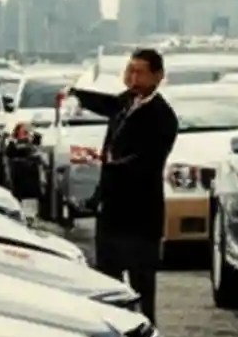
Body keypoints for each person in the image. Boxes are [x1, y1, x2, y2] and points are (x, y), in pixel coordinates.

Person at [68, 48, 178, 323]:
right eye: (129, 71)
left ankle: (144, 335)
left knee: (141, 283)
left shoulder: (162, 115)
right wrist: (76, 93)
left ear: (158, 76)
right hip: (111, 209)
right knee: (107, 278)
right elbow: (106, 104)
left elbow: (147, 161)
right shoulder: (127, 102)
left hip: (141, 211)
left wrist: (108, 160)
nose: (133, 78)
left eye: (140, 72)